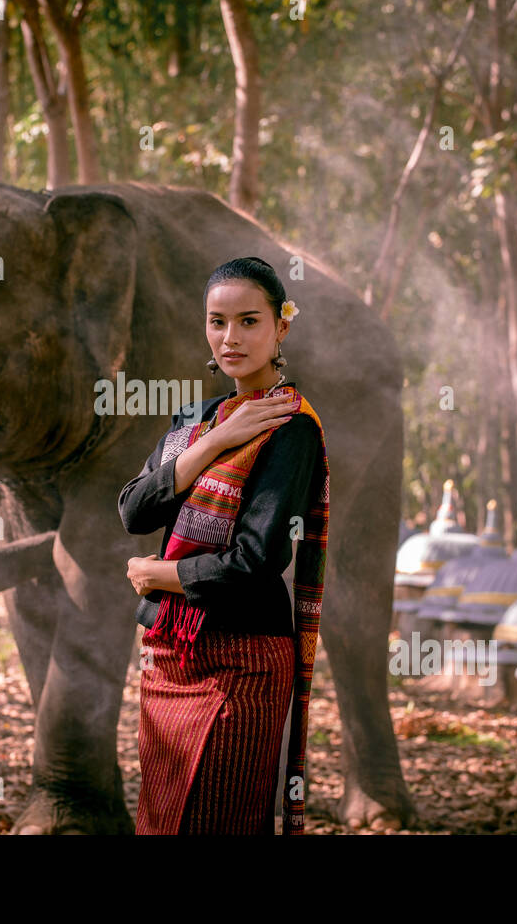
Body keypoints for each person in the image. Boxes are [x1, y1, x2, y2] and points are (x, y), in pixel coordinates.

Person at [118, 256, 330, 835]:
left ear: (281, 327)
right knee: (161, 822)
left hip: (241, 661)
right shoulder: (196, 420)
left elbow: (257, 559)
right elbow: (135, 510)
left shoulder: (290, 426)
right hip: (168, 656)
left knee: (216, 821)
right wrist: (215, 442)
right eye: (217, 321)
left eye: (248, 321)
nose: (230, 337)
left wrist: (157, 576)